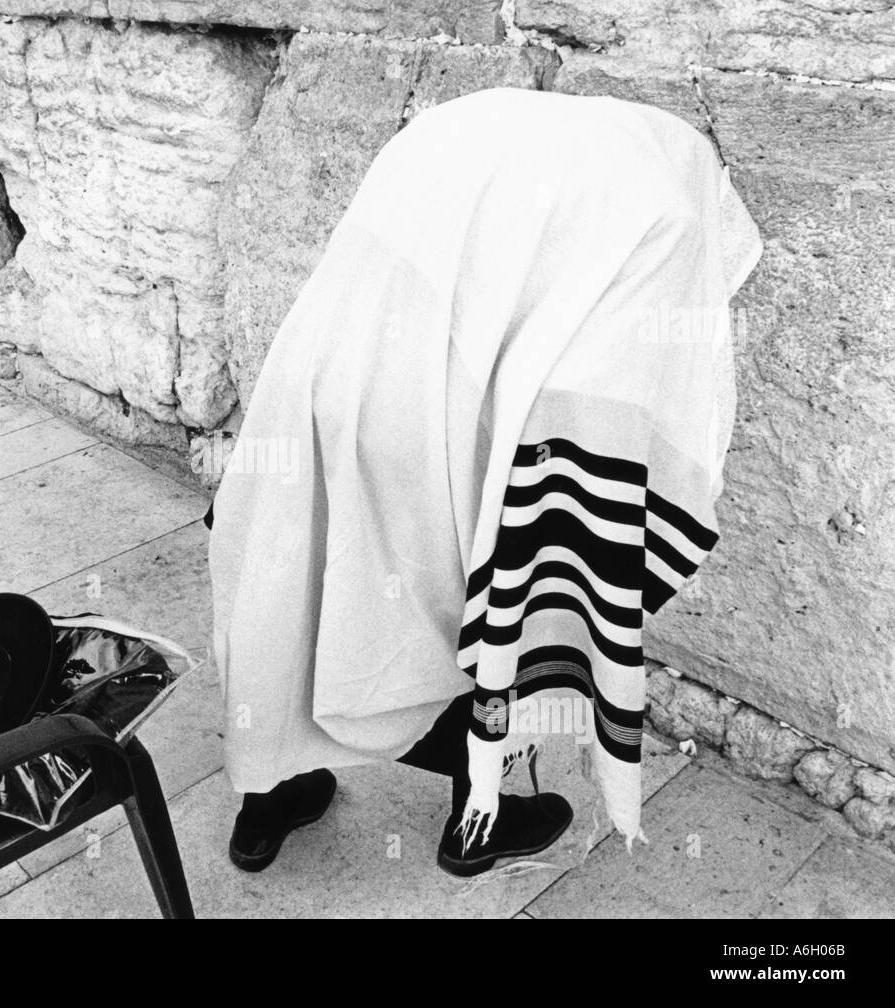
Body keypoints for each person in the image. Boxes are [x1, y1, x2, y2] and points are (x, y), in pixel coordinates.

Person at [207, 87, 763, 878]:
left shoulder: (479, 123)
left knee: (289, 577)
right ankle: (476, 824)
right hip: (437, 416)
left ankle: (268, 801)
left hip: (319, 372)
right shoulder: (662, 189)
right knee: (508, 593)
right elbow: (622, 391)